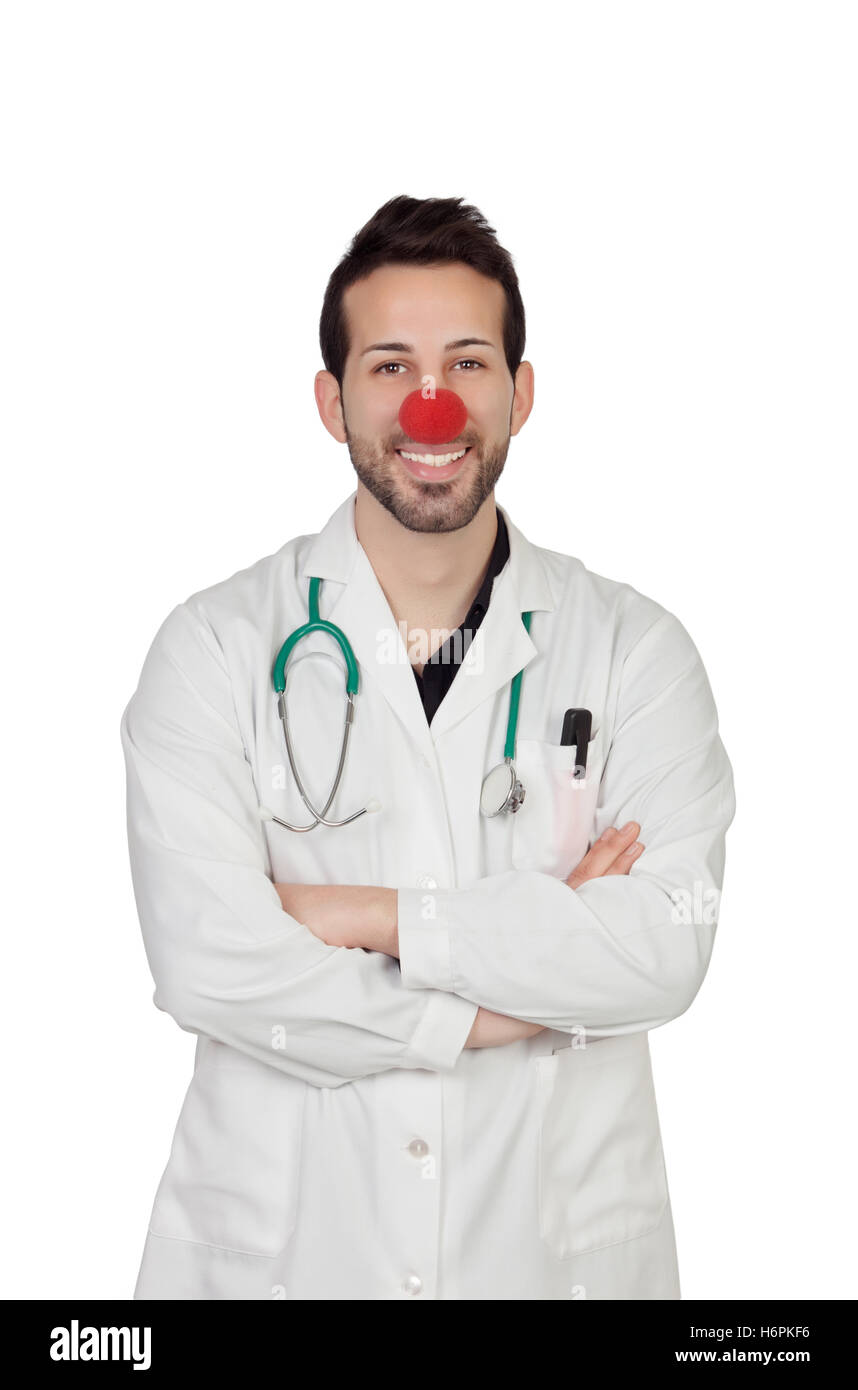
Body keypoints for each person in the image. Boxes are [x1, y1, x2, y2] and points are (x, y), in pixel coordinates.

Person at [120, 194, 735, 1300]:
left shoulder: (635, 653)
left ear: (519, 393)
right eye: (390, 367)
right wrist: (511, 1002)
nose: (432, 406)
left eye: (466, 362)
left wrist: (367, 915)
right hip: (287, 1267)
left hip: (555, 1268)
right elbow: (212, 966)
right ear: (330, 400)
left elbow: (660, 952)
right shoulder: (213, 651)